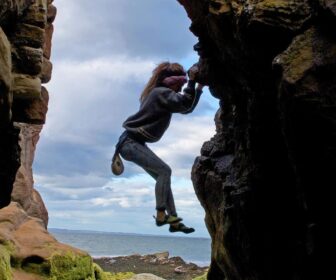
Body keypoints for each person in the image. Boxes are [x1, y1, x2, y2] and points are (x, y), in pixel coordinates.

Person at [112, 62, 204, 234]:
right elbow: (184, 103)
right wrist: (192, 83)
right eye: (181, 84)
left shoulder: (160, 94)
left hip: (133, 143)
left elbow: (186, 108)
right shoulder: (161, 93)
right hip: (130, 143)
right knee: (164, 172)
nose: (181, 87)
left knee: (163, 177)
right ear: (172, 81)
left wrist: (198, 88)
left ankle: (174, 221)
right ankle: (162, 215)